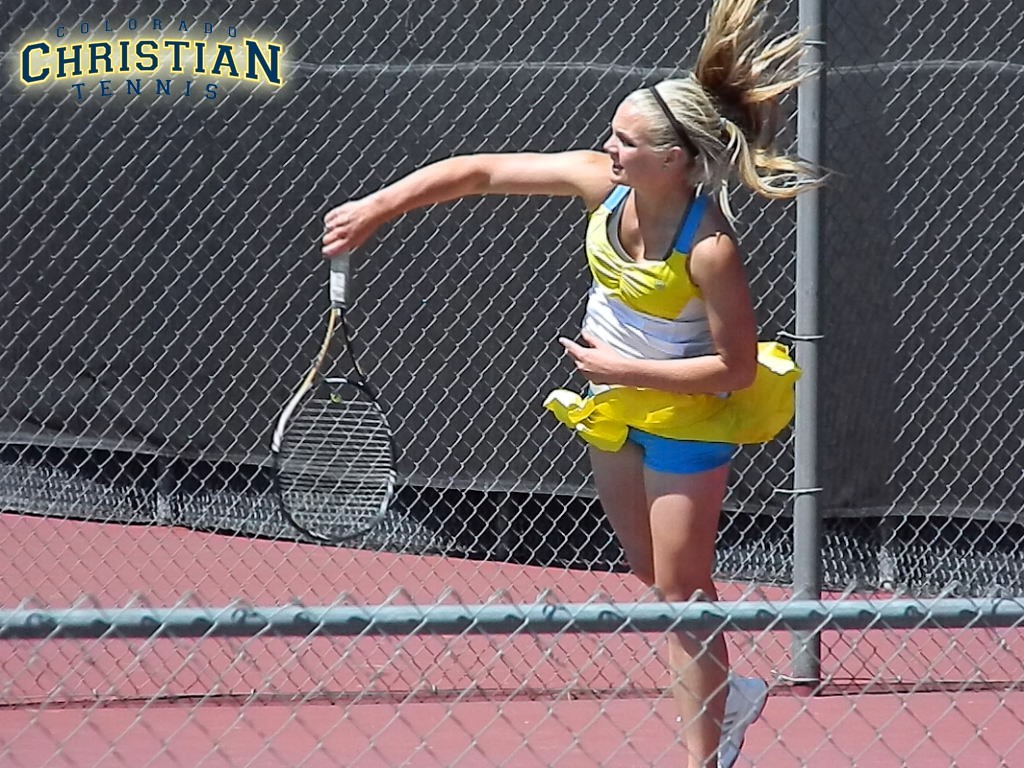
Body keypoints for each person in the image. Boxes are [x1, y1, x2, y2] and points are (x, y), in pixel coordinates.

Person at [321, 1, 818, 764]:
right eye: (611, 134)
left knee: (683, 592)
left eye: (626, 140)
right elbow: (479, 172)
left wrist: (626, 368)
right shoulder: (598, 183)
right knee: (652, 574)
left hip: (689, 419)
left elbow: (738, 368)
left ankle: (704, 754)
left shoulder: (710, 247)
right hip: (613, 407)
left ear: (674, 160)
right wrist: (377, 207)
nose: (608, 147)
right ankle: (732, 691)